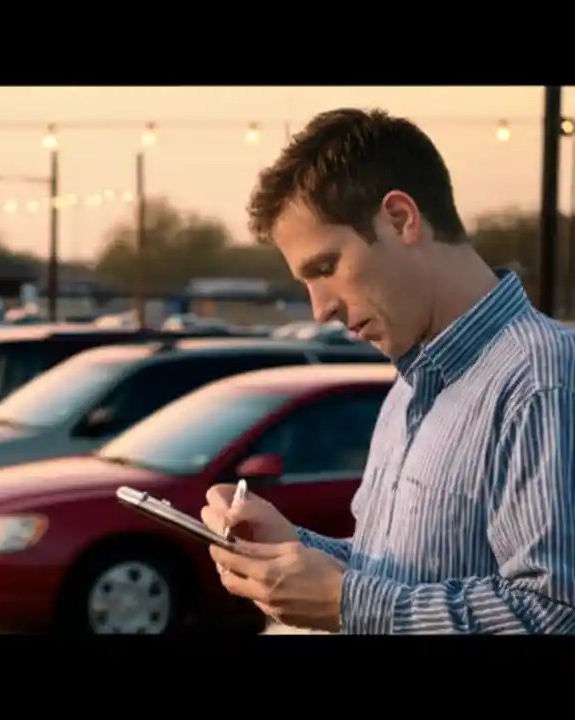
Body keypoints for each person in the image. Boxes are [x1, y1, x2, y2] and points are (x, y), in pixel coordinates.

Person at [201, 107, 575, 634]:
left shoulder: (542, 378)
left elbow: (555, 612)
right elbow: (399, 571)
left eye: (326, 267)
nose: (320, 309)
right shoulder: (409, 385)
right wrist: (289, 548)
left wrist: (346, 604)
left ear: (400, 219)